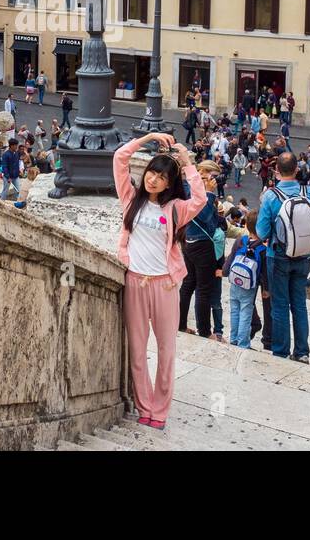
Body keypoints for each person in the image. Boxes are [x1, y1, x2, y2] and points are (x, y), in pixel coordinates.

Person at [113, 132, 206, 431]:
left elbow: (201, 198)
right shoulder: (131, 200)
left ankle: (161, 410)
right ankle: (145, 406)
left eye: (161, 177)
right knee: (138, 351)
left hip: (164, 285)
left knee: (166, 351)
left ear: (169, 183)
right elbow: (120, 158)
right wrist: (149, 137)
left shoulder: (176, 208)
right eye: (152, 172)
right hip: (135, 283)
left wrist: (187, 162)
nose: (153, 180)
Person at [257, 153, 310, 363]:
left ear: (277, 171)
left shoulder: (270, 196)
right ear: (296, 170)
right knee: (299, 304)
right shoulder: (309, 192)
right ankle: (302, 352)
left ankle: (281, 351)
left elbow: (261, 231)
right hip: (303, 255)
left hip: (278, 256)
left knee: (280, 305)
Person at [178, 161, 225, 340]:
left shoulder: (187, 187)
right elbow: (204, 217)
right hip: (201, 242)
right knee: (203, 288)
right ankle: (204, 331)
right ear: (202, 172)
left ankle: (180, 324)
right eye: (212, 176)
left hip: (189, 240)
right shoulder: (195, 189)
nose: (214, 181)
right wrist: (210, 194)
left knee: (189, 283)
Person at [225, 230, 268, 348]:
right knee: (245, 313)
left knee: (234, 311)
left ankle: (233, 338)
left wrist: (224, 271)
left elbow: (230, 258)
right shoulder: (262, 249)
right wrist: (266, 289)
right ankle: (243, 342)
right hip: (249, 287)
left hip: (234, 282)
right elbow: (264, 273)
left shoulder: (240, 241)